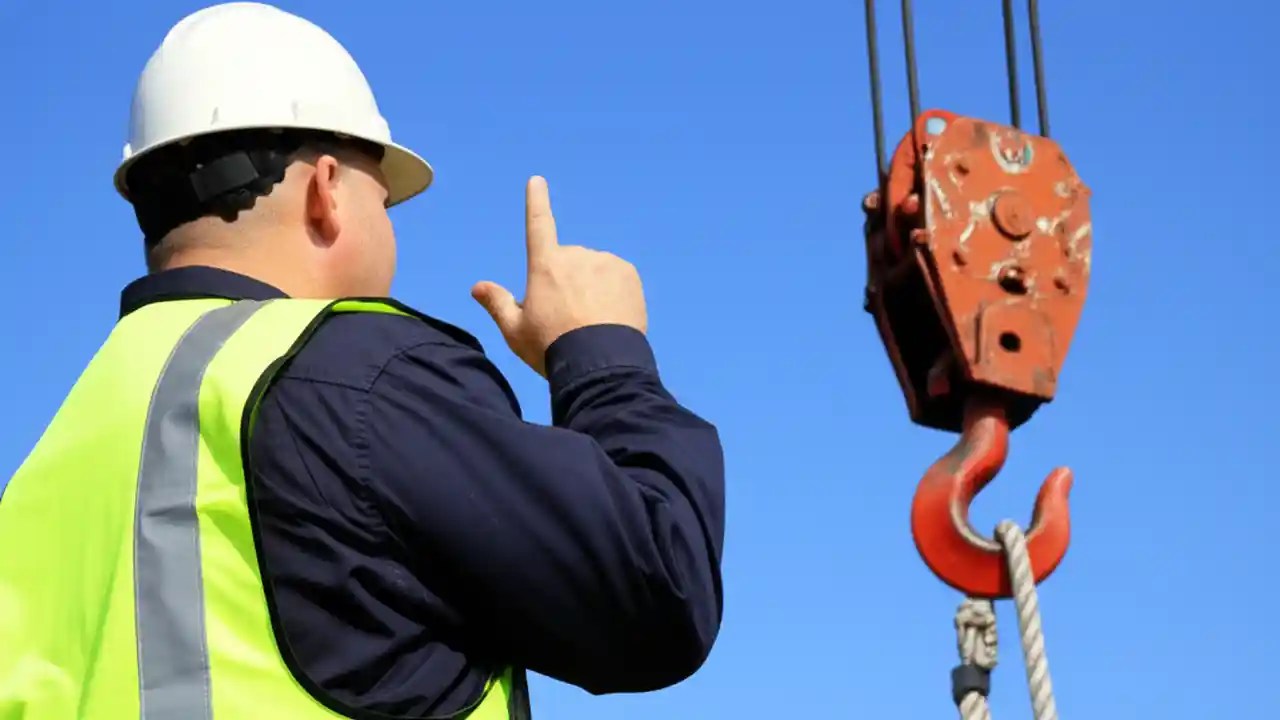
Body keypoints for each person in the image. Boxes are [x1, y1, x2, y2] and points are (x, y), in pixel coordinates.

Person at [0, 3, 725, 718]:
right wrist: (600, 354)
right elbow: (659, 594)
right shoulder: (351, 374)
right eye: (385, 203)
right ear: (325, 193)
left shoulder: (57, 459)